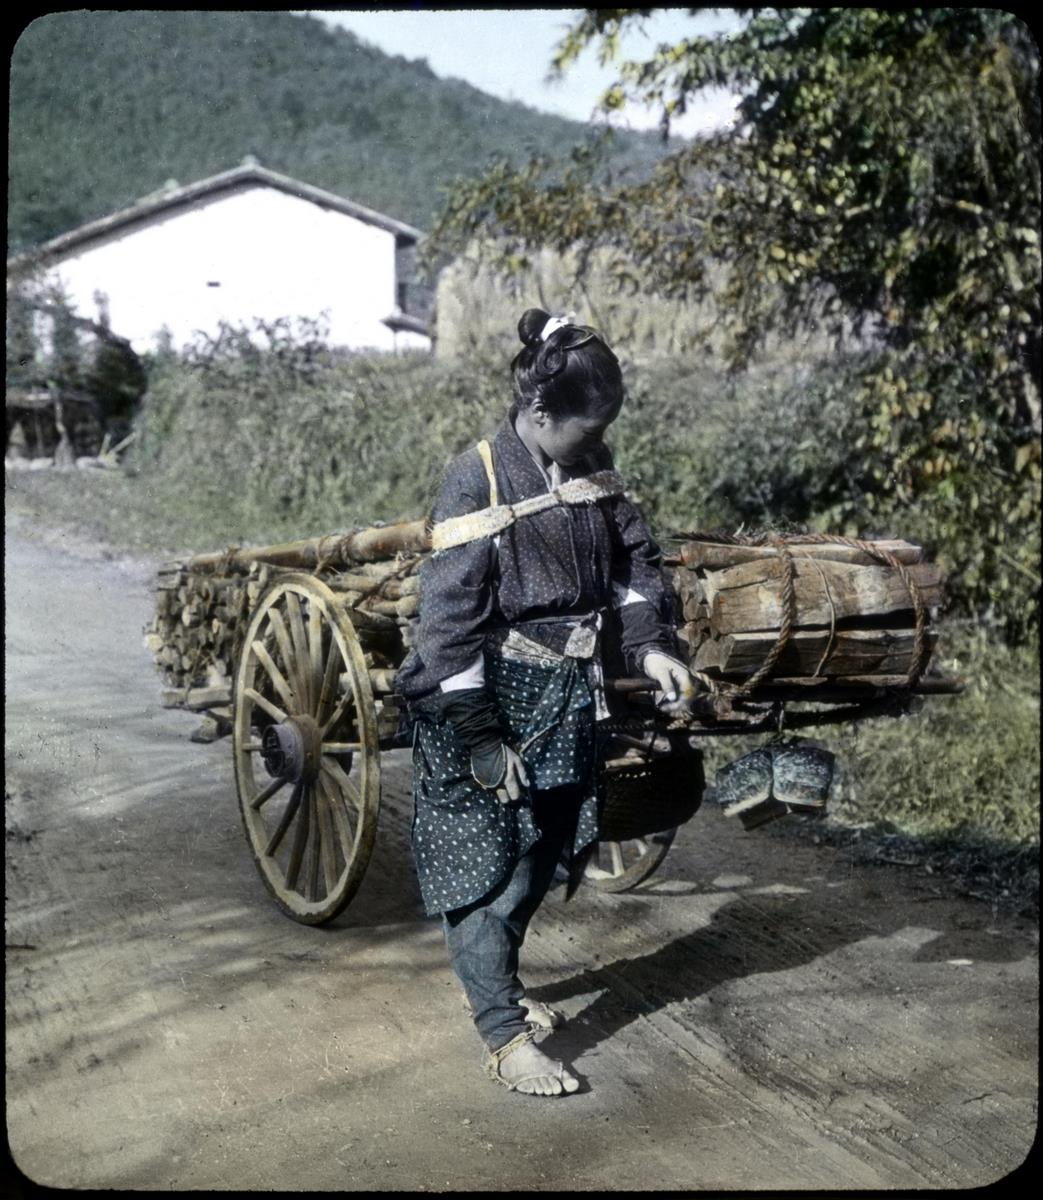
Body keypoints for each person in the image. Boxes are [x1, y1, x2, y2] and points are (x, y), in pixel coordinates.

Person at [396, 308, 696, 1096]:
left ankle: (500, 985)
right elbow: (448, 622)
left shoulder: (592, 463)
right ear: (536, 413)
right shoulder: (478, 478)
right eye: (582, 428)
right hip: (488, 697)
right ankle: (502, 1036)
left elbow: (635, 565)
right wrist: (479, 733)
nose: (593, 443)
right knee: (485, 868)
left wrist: (650, 645)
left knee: (540, 855)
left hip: (570, 698)